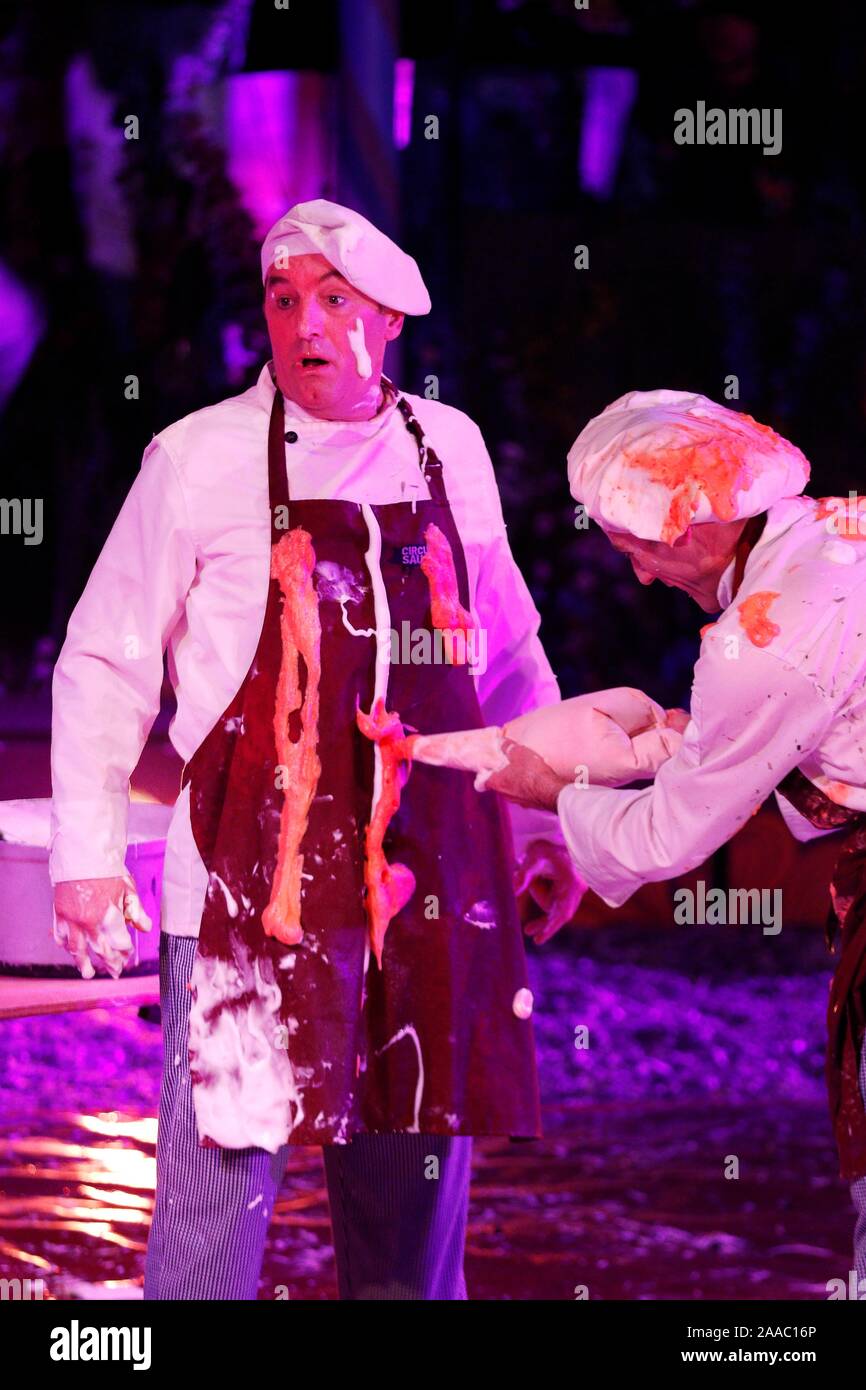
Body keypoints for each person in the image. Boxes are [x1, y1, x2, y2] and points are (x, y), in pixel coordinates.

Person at [48, 199, 586, 1301]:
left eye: (333, 300)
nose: (303, 320)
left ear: (387, 320)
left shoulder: (454, 448)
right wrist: (86, 858)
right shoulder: (194, 456)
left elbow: (510, 652)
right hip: (252, 899)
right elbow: (104, 659)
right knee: (213, 1215)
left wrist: (542, 823)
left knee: (412, 1210)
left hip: (427, 887)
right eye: (283, 299)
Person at [484, 387, 866, 1278]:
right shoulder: (837, 533)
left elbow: (665, 841)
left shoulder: (760, 642)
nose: (643, 578)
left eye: (638, 553)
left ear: (695, 528)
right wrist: (688, 738)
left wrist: (550, 794)